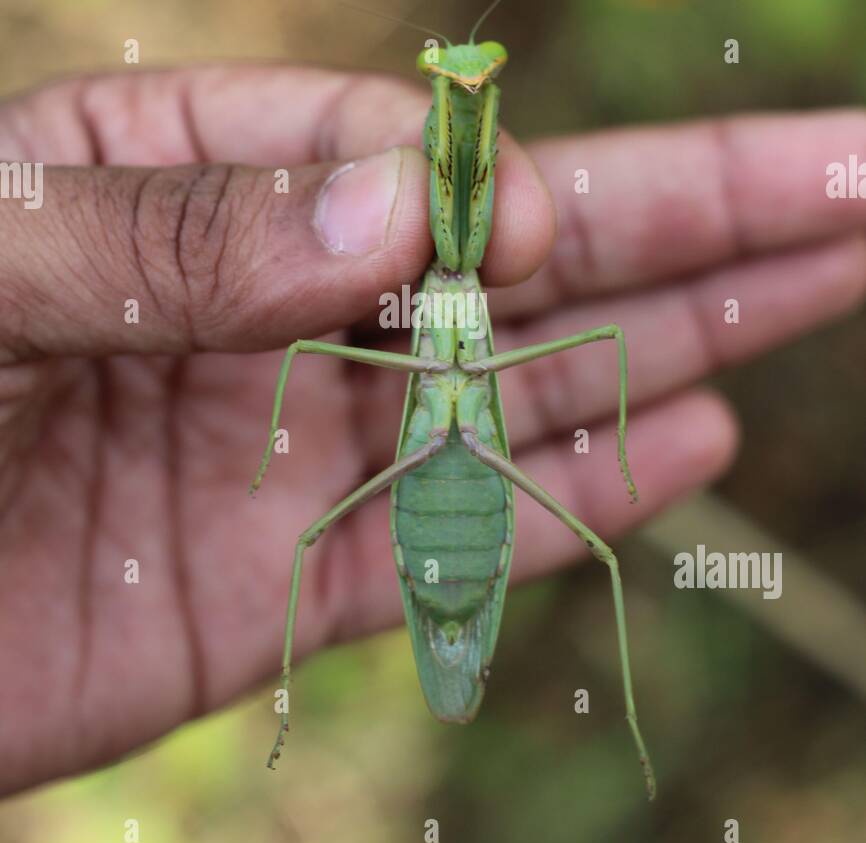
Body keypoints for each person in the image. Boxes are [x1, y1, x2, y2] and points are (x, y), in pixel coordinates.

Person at [0, 63, 863, 796]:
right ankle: (288, 719)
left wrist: (624, 455)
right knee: (309, 536)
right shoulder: (425, 251)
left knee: (599, 545)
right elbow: (303, 343)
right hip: (445, 458)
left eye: (477, 72)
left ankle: (630, 723)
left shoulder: (464, 242)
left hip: (472, 460)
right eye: (451, 73)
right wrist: (269, 443)